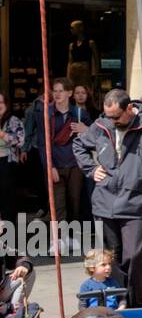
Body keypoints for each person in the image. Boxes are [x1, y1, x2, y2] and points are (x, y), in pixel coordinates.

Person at [72, 89, 142, 308]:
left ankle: (137, 302)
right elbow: (79, 145)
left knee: (133, 255)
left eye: (116, 116)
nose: (112, 121)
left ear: (129, 110)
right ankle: (119, 300)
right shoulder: (102, 125)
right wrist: (91, 168)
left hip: (135, 202)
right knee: (111, 259)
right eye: (108, 116)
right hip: (105, 202)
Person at [30, 77, 92, 254]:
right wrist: (49, 166)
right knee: (57, 204)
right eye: (54, 91)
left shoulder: (79, 114)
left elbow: (96, 138)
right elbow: (43, 143)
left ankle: (71, 237)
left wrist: (85, 130)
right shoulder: (45, 113)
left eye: (60, 91)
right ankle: (57, 240)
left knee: (75, 202)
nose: (56, 94)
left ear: (69, 93)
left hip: (75, 164)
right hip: (55, 164)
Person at [0, 92, 25, 269]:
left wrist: (2, 135)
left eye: (1, 102)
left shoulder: (13, 121)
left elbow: (20, 140)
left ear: (6, 104)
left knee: (8, 208)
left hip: (6, 167)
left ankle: (9, 251)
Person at [66, 20, 99, 91]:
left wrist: (96, 77)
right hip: (73, 71)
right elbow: (70, 61)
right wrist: (68, 77)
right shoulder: (71, 45)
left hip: (84, 71)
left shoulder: (90, 43)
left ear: (80, 28)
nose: (71, 30)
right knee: (74, 91)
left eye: (73, 28)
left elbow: (96, 61)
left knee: (85, 90)